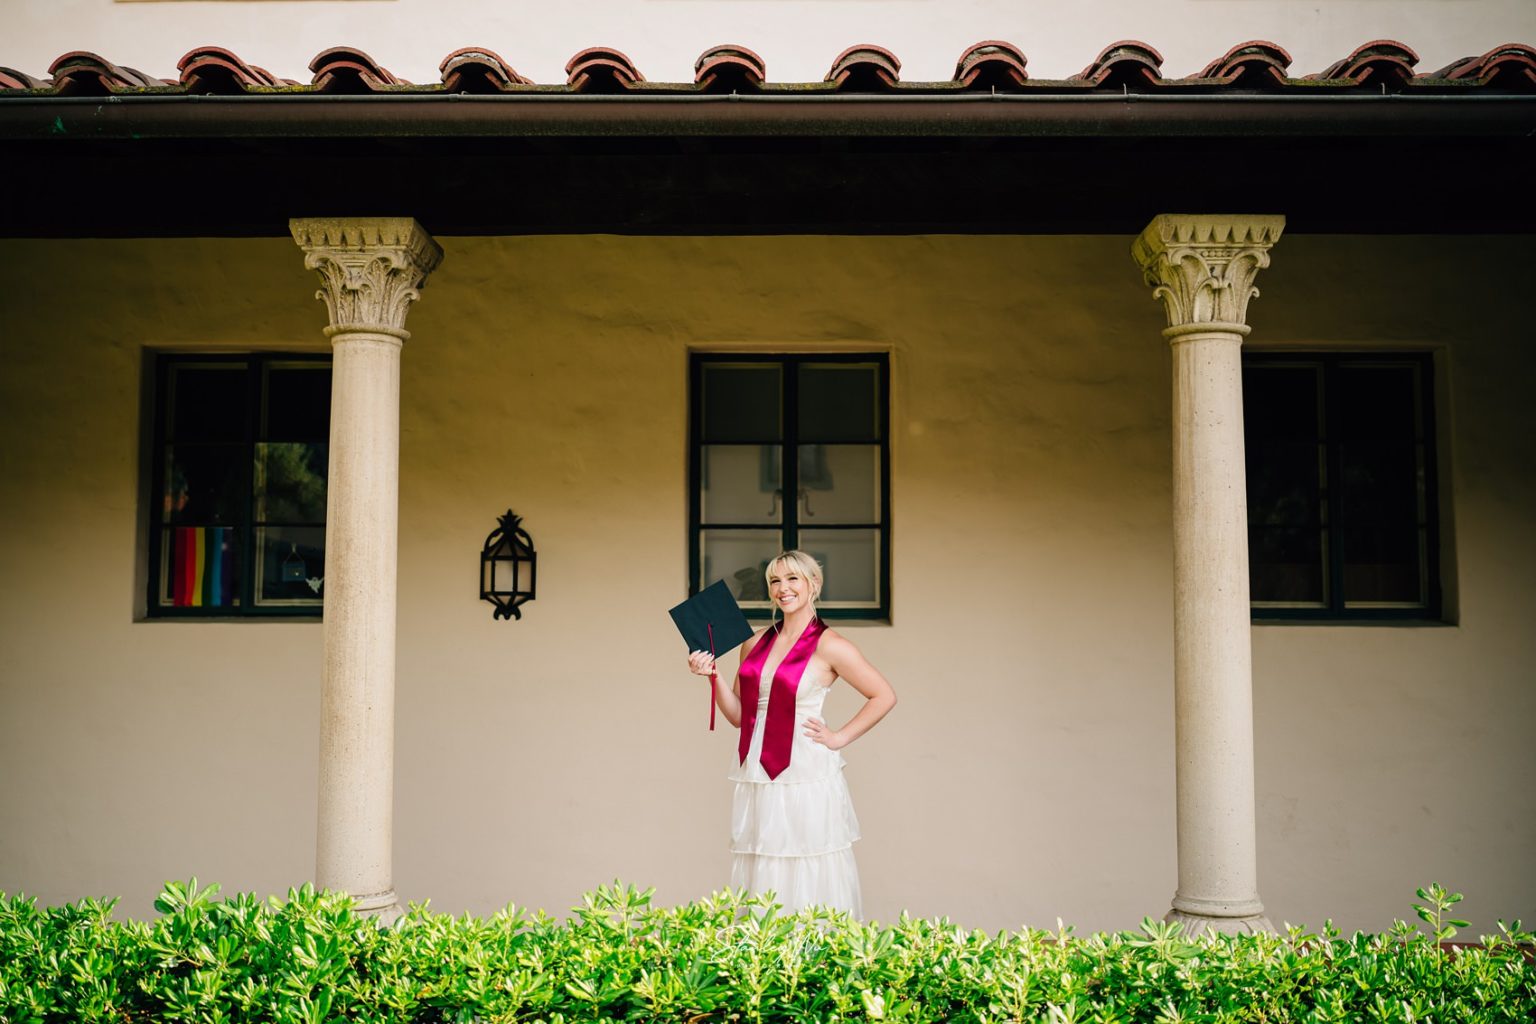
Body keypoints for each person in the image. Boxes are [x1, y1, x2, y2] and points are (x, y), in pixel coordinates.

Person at [687, 550, 896, 918]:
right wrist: (713, 676)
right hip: (758, 767)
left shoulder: (831, 646)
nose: (783, 588)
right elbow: (739, 716)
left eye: (792, 578)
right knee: (765, 854)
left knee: (807, 854)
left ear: (813, 584)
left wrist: (839, 737)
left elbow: (883, 695)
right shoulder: (754, 644)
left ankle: (812, 943)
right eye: (775, 581)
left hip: (805, 768)